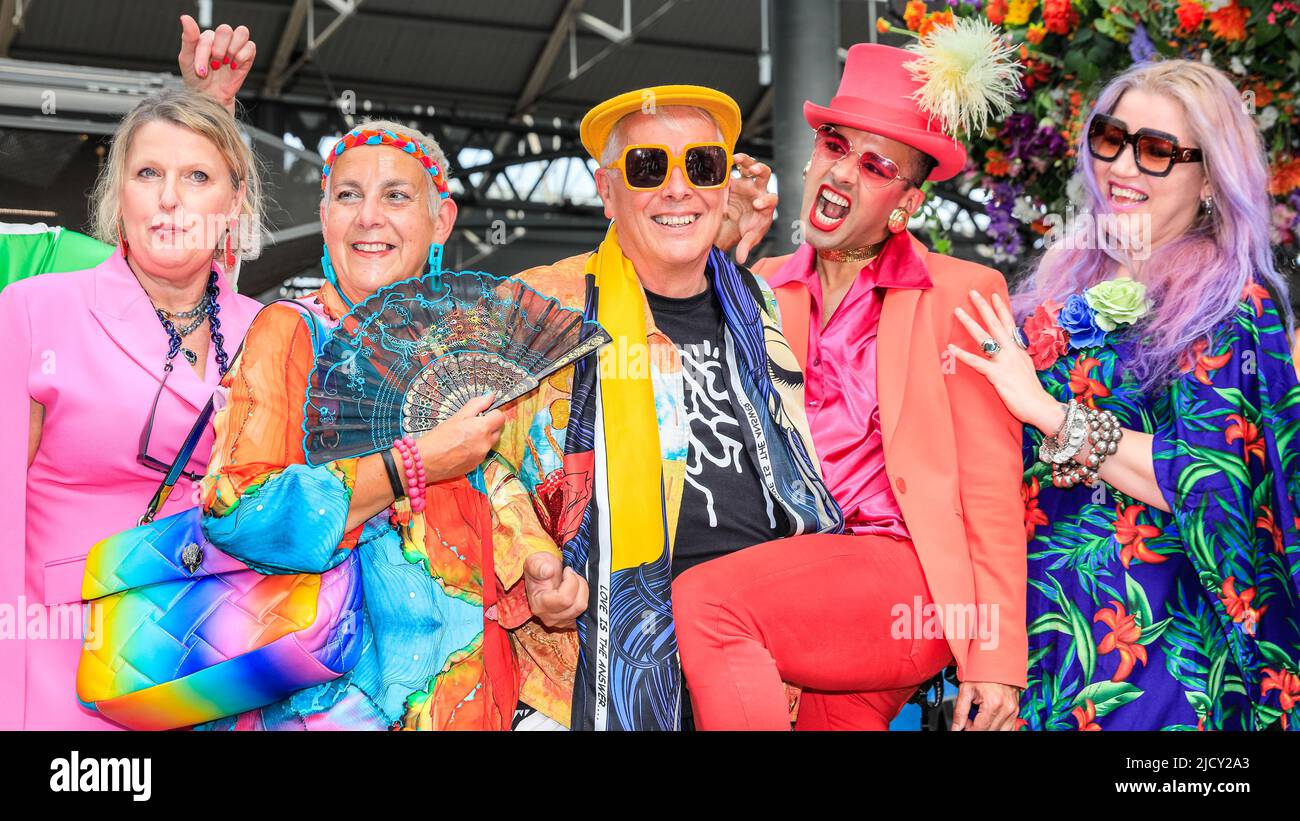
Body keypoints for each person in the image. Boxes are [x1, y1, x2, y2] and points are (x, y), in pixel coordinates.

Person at [670, 31, 1029, 731]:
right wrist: (707, 251)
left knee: (708, 604)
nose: (842, 173)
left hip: (909, 583)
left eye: (875, 165)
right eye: (835, 146)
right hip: (805, 581)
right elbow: (665, 370)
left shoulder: (965, 293)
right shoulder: (760, 285)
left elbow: (990, 489)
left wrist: (994, 658)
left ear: (907, 203)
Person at [952, 59, 1300, 730]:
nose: (1123, 165)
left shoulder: (1233, 306)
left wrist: (1050, 413)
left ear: (1209, 180)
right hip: (1045, 642)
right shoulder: (1056, 291)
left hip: (1167, 658)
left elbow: (1208, 476)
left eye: (1158, 150)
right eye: (1112, 137)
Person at [489, 85, 843, 731]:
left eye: (701, 166)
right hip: (582, 680)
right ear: (606, 190)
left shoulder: (759, 306)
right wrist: (531, 558)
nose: (678, 189)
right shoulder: (540, 305)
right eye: (649, 167)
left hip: (754, 670)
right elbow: (469, 452)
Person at [194, 120, 545, 730]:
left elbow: (537, 507)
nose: (368, 217)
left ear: (442, 220)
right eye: (349, 195)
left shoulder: (480, 358)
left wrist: (548, 573)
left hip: (480, 701)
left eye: (396, 196)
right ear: (326, 216)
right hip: (331, 708)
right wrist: (411, 465)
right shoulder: (293, 333)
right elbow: (238, 511)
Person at [0, 81, 265, 729]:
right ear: (121, 195)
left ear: (234, 203)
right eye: (148, 173)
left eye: (197, 176)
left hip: (221, 674)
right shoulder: (34, 311)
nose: (169, 197)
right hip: (63, 674)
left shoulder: (271, 332)